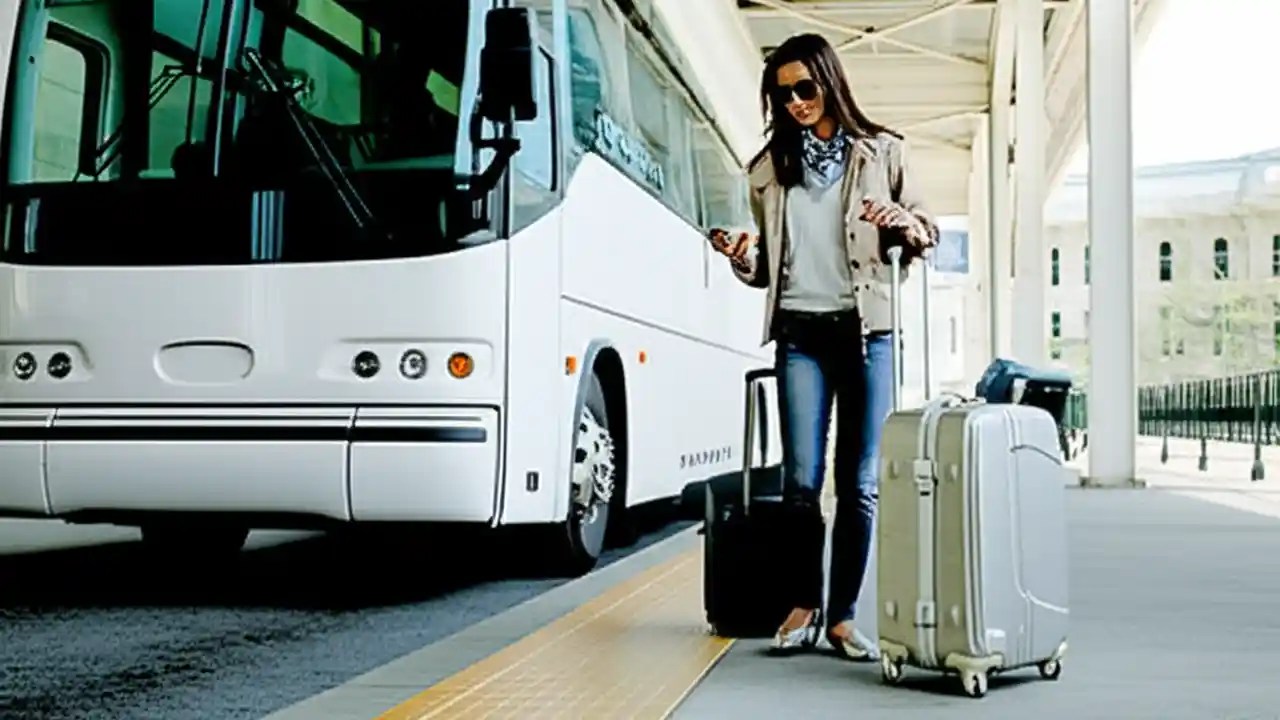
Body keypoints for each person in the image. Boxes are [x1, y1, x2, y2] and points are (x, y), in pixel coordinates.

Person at [707, 32, 938, 659]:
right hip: (800, 333)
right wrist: (741, 255)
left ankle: (842, 617)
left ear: (830, 82)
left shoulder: (883, 153)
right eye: (783, 95)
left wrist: (904, 224)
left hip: (868, 333)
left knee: (858, 482)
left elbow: (926, 229)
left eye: (806, 89)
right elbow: (769, 264)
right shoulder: (768, 169)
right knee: (802, 481)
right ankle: (802, 607)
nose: (797, 103)